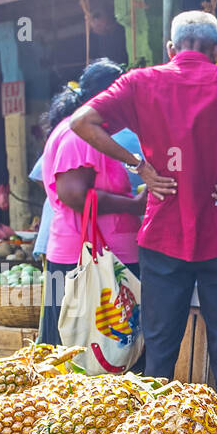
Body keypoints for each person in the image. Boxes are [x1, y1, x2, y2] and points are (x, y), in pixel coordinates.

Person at [70, 10, 217, 397]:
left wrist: (139, 166)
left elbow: (81, 121)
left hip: (163, 235)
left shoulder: (140, 82)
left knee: (160, 353)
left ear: (170, 48)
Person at [38, 60, 146, 346]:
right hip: (89, 260)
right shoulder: (81, 135)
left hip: (82, 256)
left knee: (71, 354)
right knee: (90, 357)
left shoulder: (76, 129)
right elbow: (73, 194)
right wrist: (134, 205)